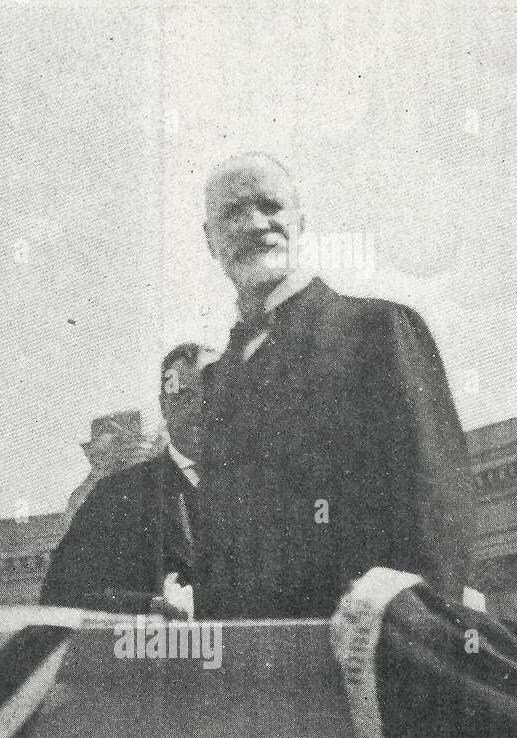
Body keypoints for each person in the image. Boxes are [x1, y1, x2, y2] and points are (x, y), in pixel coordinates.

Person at [195, 152, 475, 619]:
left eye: (270, 206)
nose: (254, 224)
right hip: (255, 659)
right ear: (210, 240)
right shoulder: (219, 378)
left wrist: (415, 641)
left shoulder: (378, 328)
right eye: (232, 213)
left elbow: (435, 502)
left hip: (366, 654)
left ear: (300, 222)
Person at [41, 343, 219, 616]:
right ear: (164, 406)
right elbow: (60, 595)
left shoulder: (267, 490)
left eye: (211, 397)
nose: (197, 409)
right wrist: (148, 606)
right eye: (183, 397)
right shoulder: (116, 495)